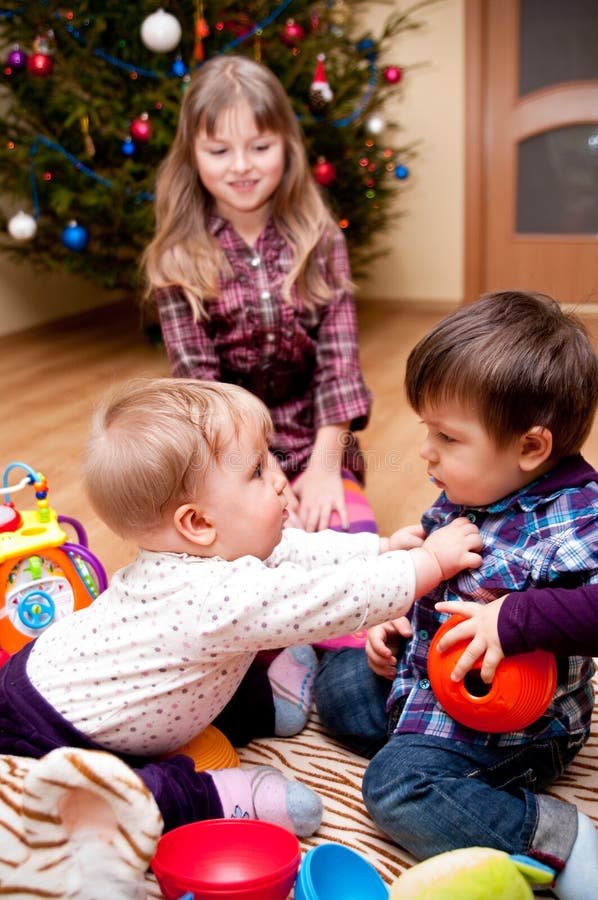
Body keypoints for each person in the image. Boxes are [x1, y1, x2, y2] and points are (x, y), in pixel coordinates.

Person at [0, 376, 482, 838]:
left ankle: (267, 700)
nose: (279, 479)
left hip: (100, 686)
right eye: (257, 471)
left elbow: (296, 551)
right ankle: (223, 796)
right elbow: (334, 600)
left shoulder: (212, 552)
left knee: (191, 681)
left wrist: (382, 548)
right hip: (47, 736)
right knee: (118, 803)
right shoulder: (208, 598)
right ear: (197, 522)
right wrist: (427, 564)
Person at [314, 290, 598, 900]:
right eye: (426, 429)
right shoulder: (472, 485)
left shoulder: (578, 516)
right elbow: (444, 583)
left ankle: (556, 831)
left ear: (531, 447)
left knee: (394, 786)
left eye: (446, 436)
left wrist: (514, 619)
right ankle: (438, 761)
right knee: (337, 686)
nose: (424, 451)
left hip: (522, 728)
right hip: (433, 678)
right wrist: (397, 626)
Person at [142, 53, 374, 535]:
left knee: (353, 544)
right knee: (244, 556)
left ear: (287, 145)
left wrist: (326, 467)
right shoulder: (177, 257)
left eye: (260, 146)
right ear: (191, 155)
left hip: (320, 444)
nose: (242, 166)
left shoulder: (321, 238)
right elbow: (201, 386)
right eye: (219, 150)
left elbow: (339, 364)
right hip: (226, 451)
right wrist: (262, 474)